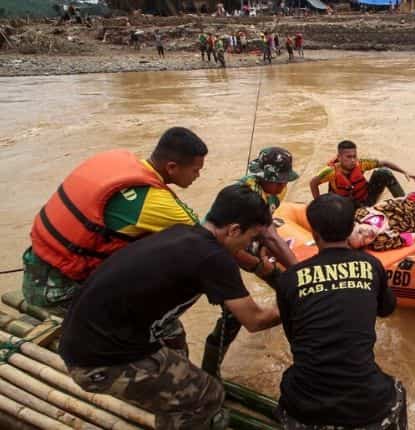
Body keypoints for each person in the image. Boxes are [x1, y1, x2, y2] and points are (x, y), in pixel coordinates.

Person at [60, 184, 281, 430]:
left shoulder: (181, 232)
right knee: (209, 395)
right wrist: (299, 301)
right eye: (251, 238)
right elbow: (255, 320)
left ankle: (169, 408)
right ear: (234, 230)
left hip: (80, 337)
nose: (249, 247)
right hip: (99, 361)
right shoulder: (214, 258)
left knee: (177, 345)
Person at [23, 127, 207, 311]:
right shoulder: (154, 202)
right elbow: (206, 242)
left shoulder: (114, 162)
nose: (198, 176)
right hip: (59, 291)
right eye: (195, 170)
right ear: (172, 167)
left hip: (36, 264)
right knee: (163, 328)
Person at [275, 194, 407, 429]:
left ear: (314, 233)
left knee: (290, 380)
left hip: (304, 404)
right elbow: (387, 309)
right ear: (350, 230)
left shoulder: (289, 279)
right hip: (368, 403)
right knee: (397, 391)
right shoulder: (371, 266)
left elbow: (293, 336)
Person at [201, 147, 300, 376]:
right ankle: (209, 373)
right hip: (217, 250)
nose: (284, 186)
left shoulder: (274, 192)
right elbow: (227, 242)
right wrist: (257, 264)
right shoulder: (242, 197)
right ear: (265, 178)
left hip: (245, 240)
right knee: (232, 317)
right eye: (280, 181)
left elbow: (267, 231)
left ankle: (294, 338)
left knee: (285, 285)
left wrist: (294, 274)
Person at [309, 140, 415, 208]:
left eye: (354, 156)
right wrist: (318, 203)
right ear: (339, 157)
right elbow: (313, 183)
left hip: (365, 200)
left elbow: (384, 162)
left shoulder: (362, 164)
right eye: (348, 157)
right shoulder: (330, 171)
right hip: (344, 207)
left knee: (383, 172)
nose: (353, 160)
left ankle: (404, 205)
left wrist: (404, 172)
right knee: (328, 200)